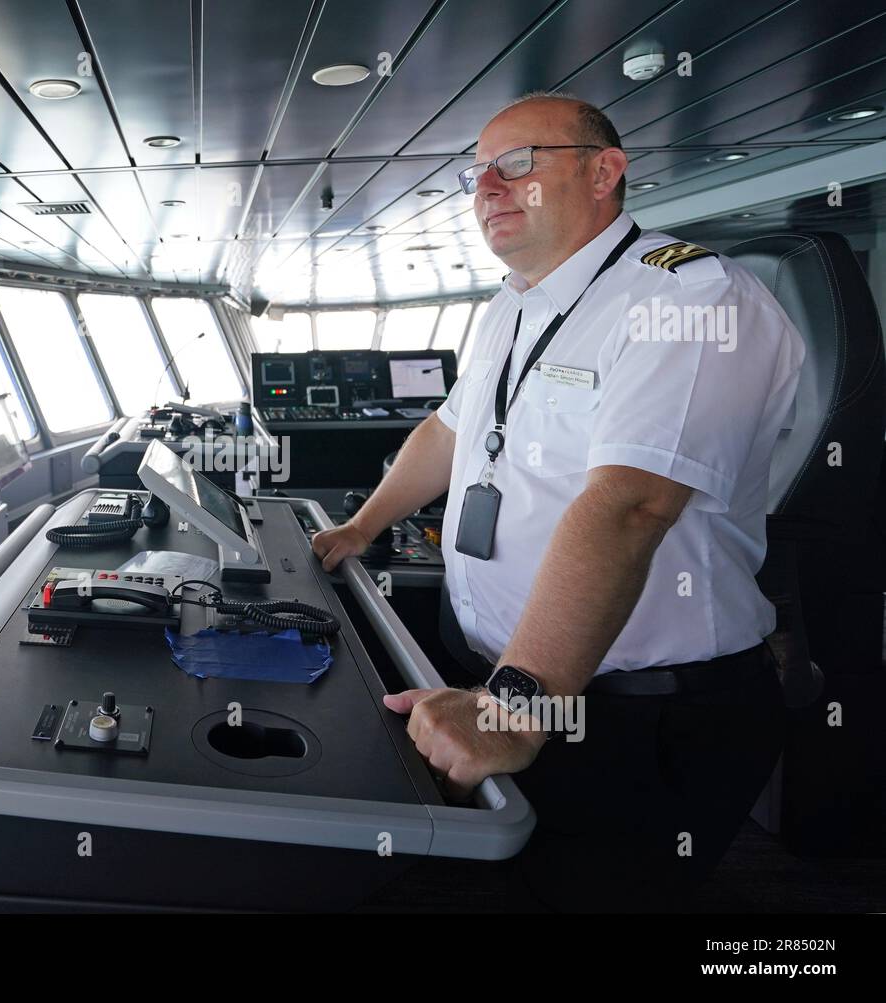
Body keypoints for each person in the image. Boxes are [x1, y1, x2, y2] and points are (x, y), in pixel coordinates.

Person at [311, 92, 805, 911]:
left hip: (637, 716)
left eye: (518, 164)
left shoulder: (685, 301)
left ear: (605, 171)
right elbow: (449, 429)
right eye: (477, 174)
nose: (487, 188)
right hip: (503, 680)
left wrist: (516, 706)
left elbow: (631, 505)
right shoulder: (513, 303)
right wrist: (364, 525)